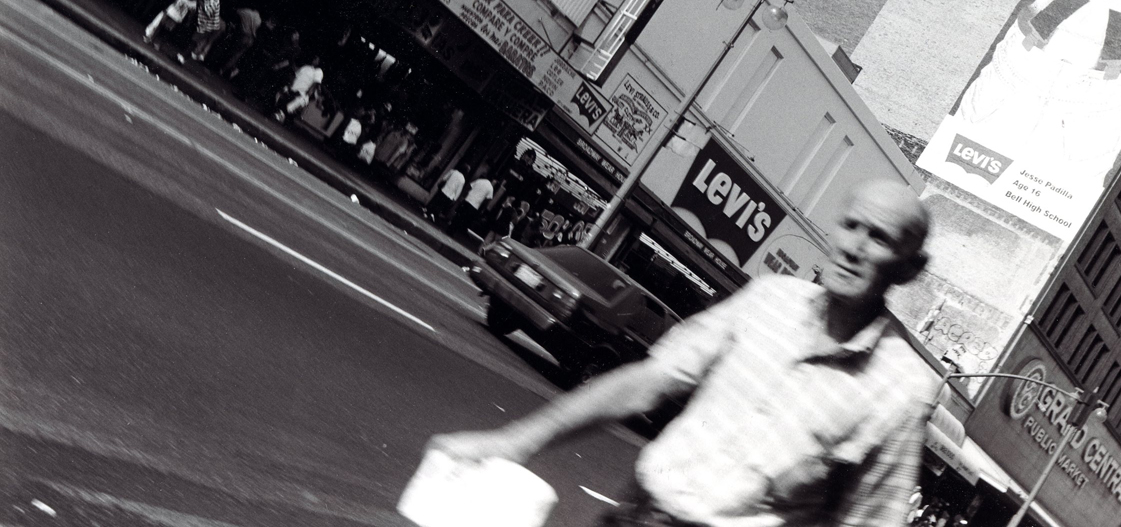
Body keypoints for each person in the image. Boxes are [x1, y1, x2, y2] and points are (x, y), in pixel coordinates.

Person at [430, 179, 939, 527]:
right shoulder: (769, 301)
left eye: (880, 238)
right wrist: (517, 440)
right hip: (637, 512)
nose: (854, 247)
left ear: (909, 269)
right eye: (851, 225)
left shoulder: (901, 389)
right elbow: (651, 379)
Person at [274, 56, 323, 123]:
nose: (314, 60)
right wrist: (289, 86)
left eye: (316, 60)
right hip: (293, 89)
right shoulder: (306, 67)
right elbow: (295, 76)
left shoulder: (318, 71)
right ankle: (281, 115)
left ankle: (281, 116)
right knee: (279, 96)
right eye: (314, 59)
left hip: (302, 93)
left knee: (291, 106)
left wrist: (307, 95)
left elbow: (315, 84)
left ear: (319, 62)